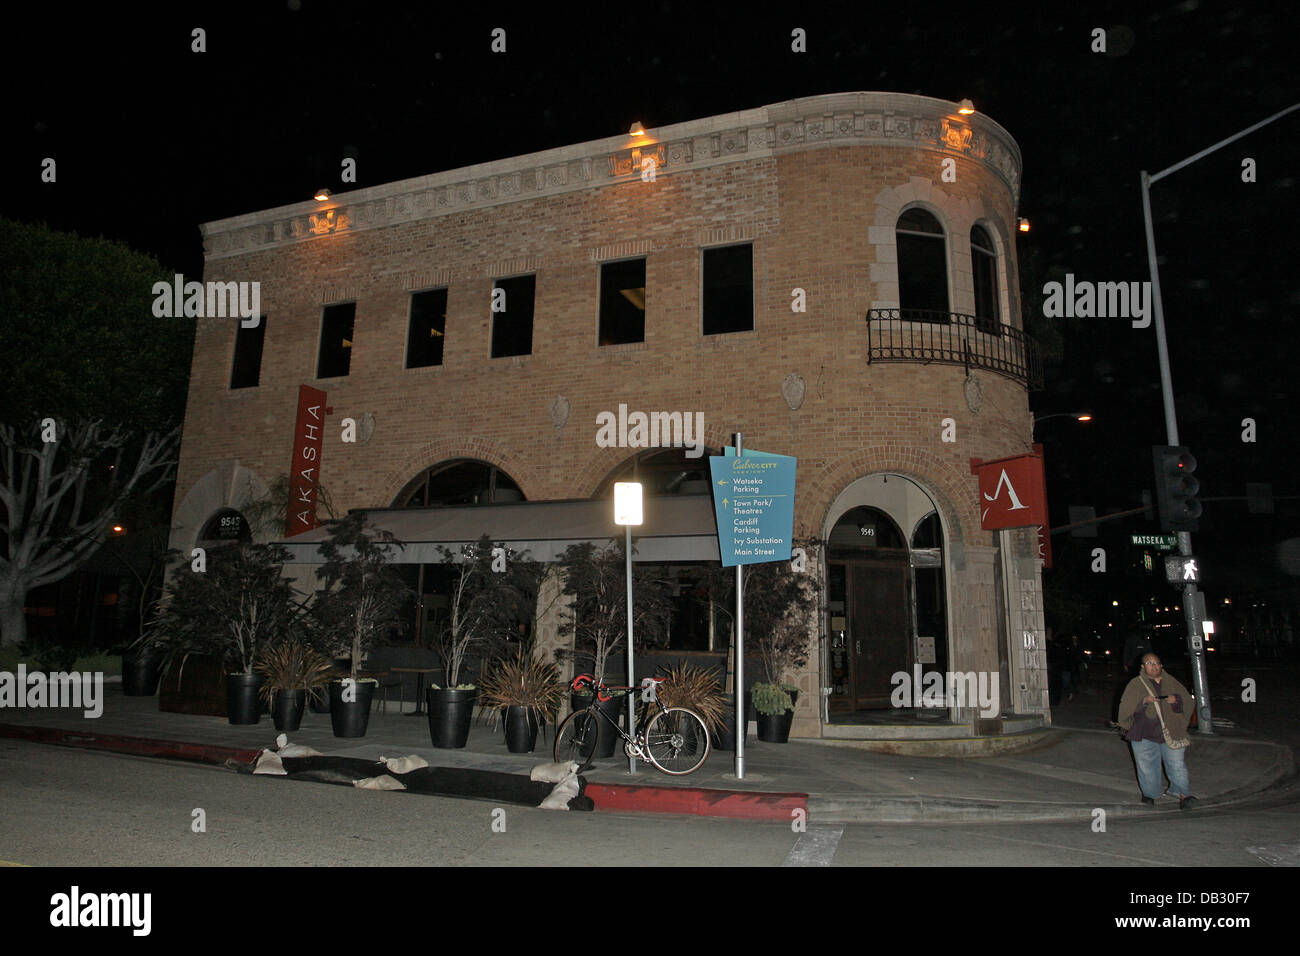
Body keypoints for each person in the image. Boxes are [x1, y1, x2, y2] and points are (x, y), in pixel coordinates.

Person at [1117, 653, 1197, 809]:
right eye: (1149, 663)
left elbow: (1187, 701)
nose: (1153, 666)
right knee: (1147, 765)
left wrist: (1176, 701)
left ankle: (1183, 794)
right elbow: (1126, 709)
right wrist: (1144, 702)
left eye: (1156, 663)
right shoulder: (1135, 684)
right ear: (1142, 666)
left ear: (1161, 665)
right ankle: (1150, 794)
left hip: (1171, 732)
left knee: (1177, 764)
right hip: (1144, 733)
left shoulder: (1172, 682)